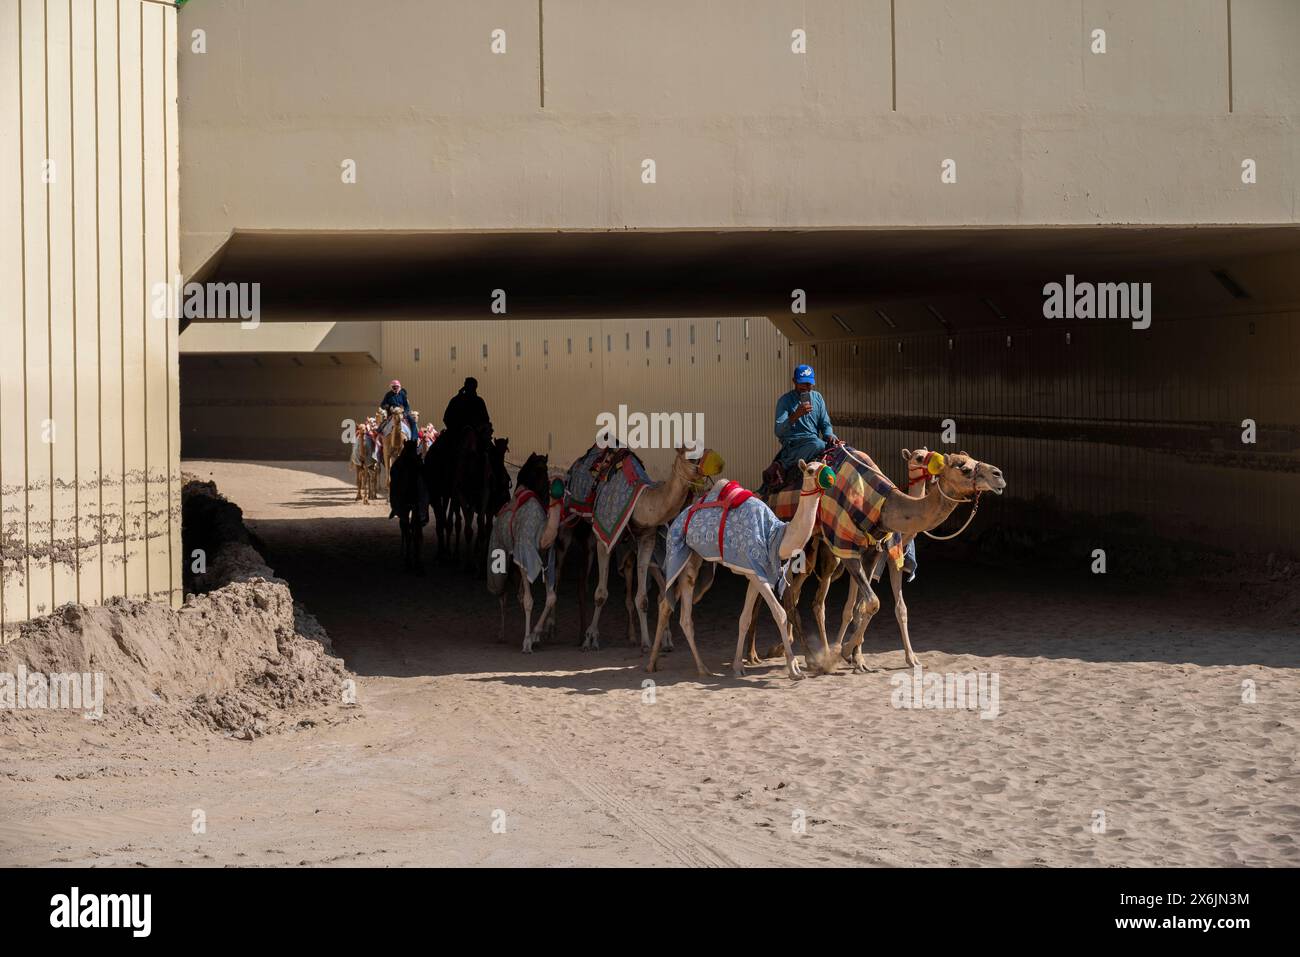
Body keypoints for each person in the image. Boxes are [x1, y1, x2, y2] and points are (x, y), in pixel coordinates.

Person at [773, 364, 839, 478]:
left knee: (838, 449)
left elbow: (825, 423)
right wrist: (795, 415)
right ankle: (783, 465)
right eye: (802, 383)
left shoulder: (817, 397)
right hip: (794, 446)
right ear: (794, 381)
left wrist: (829, 434)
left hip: (814, 441)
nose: (806, 387)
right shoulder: (785, 401)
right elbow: (778, 431)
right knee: (818, 444)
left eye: (809, 384)